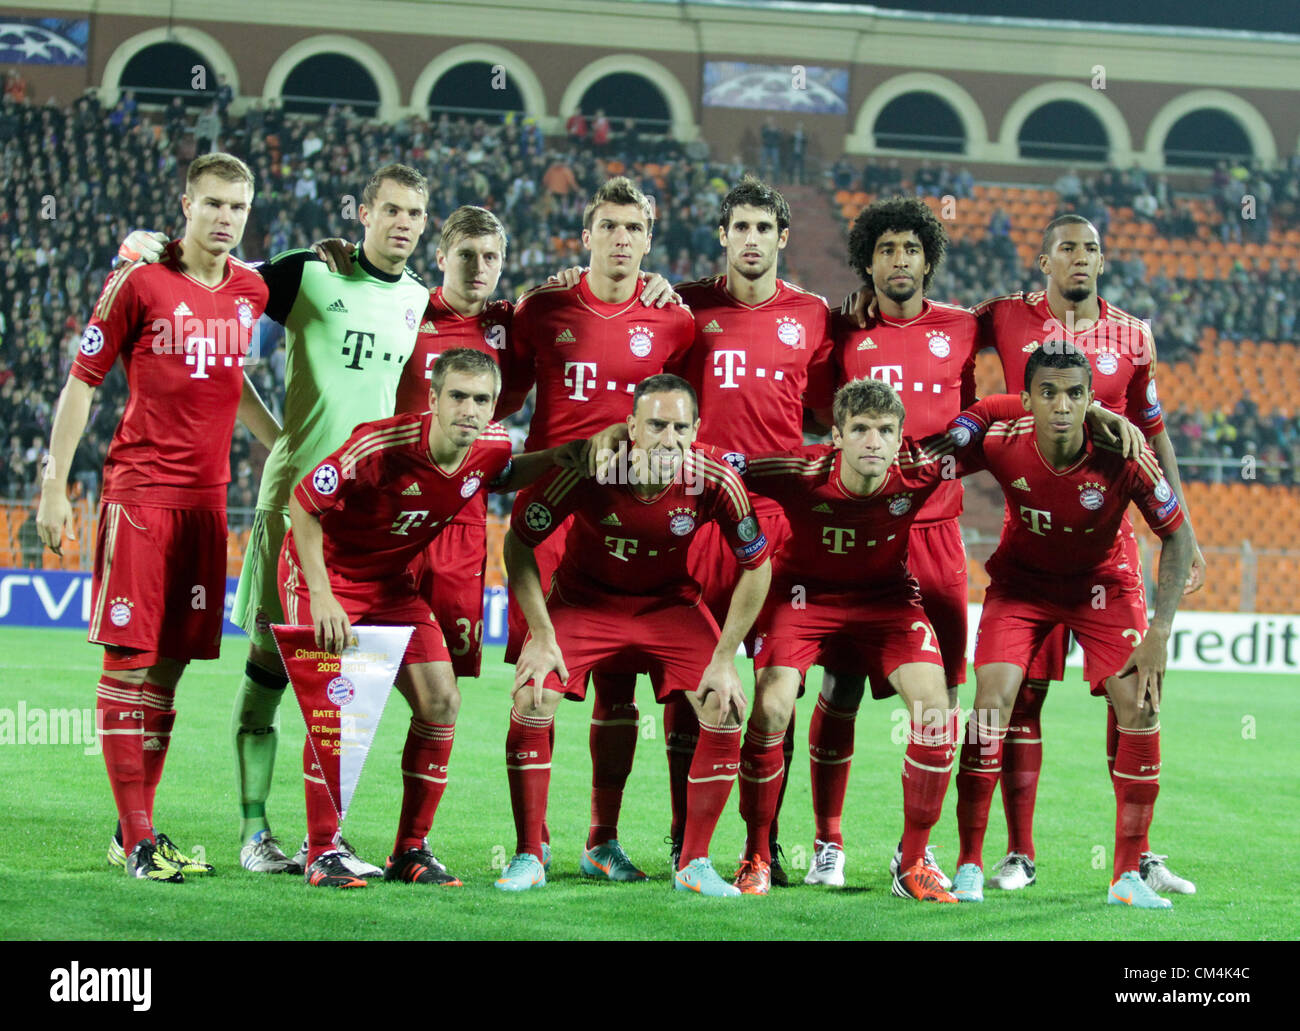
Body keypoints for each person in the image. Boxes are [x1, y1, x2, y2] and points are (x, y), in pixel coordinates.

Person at [35, 153, 280, 882]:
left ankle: (130, 830)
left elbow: (231, 382)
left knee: (170, 670)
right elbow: (81, 384)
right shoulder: (136, 282)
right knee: (129, 659)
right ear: (186, 204)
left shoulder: (250, 291)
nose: (225, 218)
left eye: (237, 206)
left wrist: (285, 446)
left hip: (207, 502)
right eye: (212, 204)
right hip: (139, 495)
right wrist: (53, 483)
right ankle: (142, 842)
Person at [972, 213, 1204, 896]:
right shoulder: (1006, 318)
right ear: (1044, 258)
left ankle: (1138, 855)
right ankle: (1019, 852)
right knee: (1023, 697)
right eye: (1068, 248)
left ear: (1103, 260)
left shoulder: (1134, 334)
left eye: (1093, 249)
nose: (1081, 258)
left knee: (1133, 693)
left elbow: (1153, 434)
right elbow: (941, 332)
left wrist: (1180, 524)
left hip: (1108, 545)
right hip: (1033, 538)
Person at [284, 349, 569, 888]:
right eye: (457, 396)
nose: (469, 408)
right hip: (324, 576)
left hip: (391, 584)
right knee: (337, 705)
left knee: (442, 700)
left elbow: (504, 473)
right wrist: (321, 596)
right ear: (432, 398)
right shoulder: (379, 445)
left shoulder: (486, 449)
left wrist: (565, 457)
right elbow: (304, 503)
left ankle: (410, 849)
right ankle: (321, 850)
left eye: (481, 399)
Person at [498, 374, 772, 897]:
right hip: (585, 600)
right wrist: (540, 633)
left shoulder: (714, 477)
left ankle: (693, 864)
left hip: (668, 604)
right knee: (533, 694)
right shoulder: (590, 468)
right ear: (630, 427)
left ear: (696, 430)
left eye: (679, 427)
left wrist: (724, 656)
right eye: (656, 425)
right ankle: (529, 854)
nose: (668, 438)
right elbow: (520, 542)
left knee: (725, 703)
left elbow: (757, 566)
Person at [500, 177, 696, 880]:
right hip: (553, 519)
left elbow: (687, 415)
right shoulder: (542, 307)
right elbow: (506, 395)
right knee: (538, 680)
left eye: (633, 229)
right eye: (608, 226)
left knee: (621, 690)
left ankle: (602, 839)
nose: (620, 240)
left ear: (649, 238)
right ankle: (531, 843)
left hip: (637, 520)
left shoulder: (676, 322)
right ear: (586, 234)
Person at [813, 195, 975, 889]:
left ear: (928, 259)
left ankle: (918, 852)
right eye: (886, 249)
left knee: (940, 702)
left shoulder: (968, 327)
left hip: (938, 534)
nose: (899, 260)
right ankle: (827, 841)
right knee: (842, 684)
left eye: (911, 248)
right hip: (862, 536)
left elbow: (1036, 358)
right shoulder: (842, 332)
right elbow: (815, 412)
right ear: (868, 262)